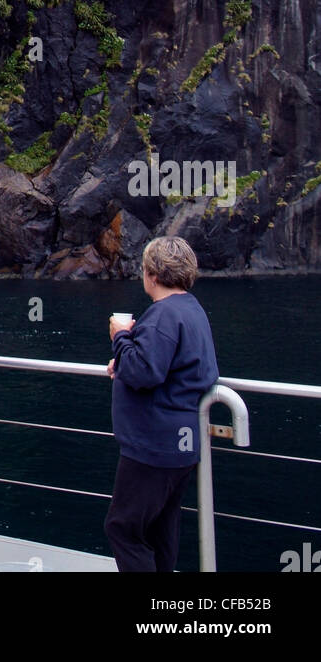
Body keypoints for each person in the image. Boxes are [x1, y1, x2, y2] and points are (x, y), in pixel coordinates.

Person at [104, 235, 219, 572]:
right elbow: (170, 365)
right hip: (183, 443)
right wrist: (125, 359)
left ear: (151, 274)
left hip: (153, 445)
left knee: (123, 528)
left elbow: (144, 372)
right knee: (160, 529)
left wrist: (120, 337)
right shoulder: (191, 310)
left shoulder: (162, 316)